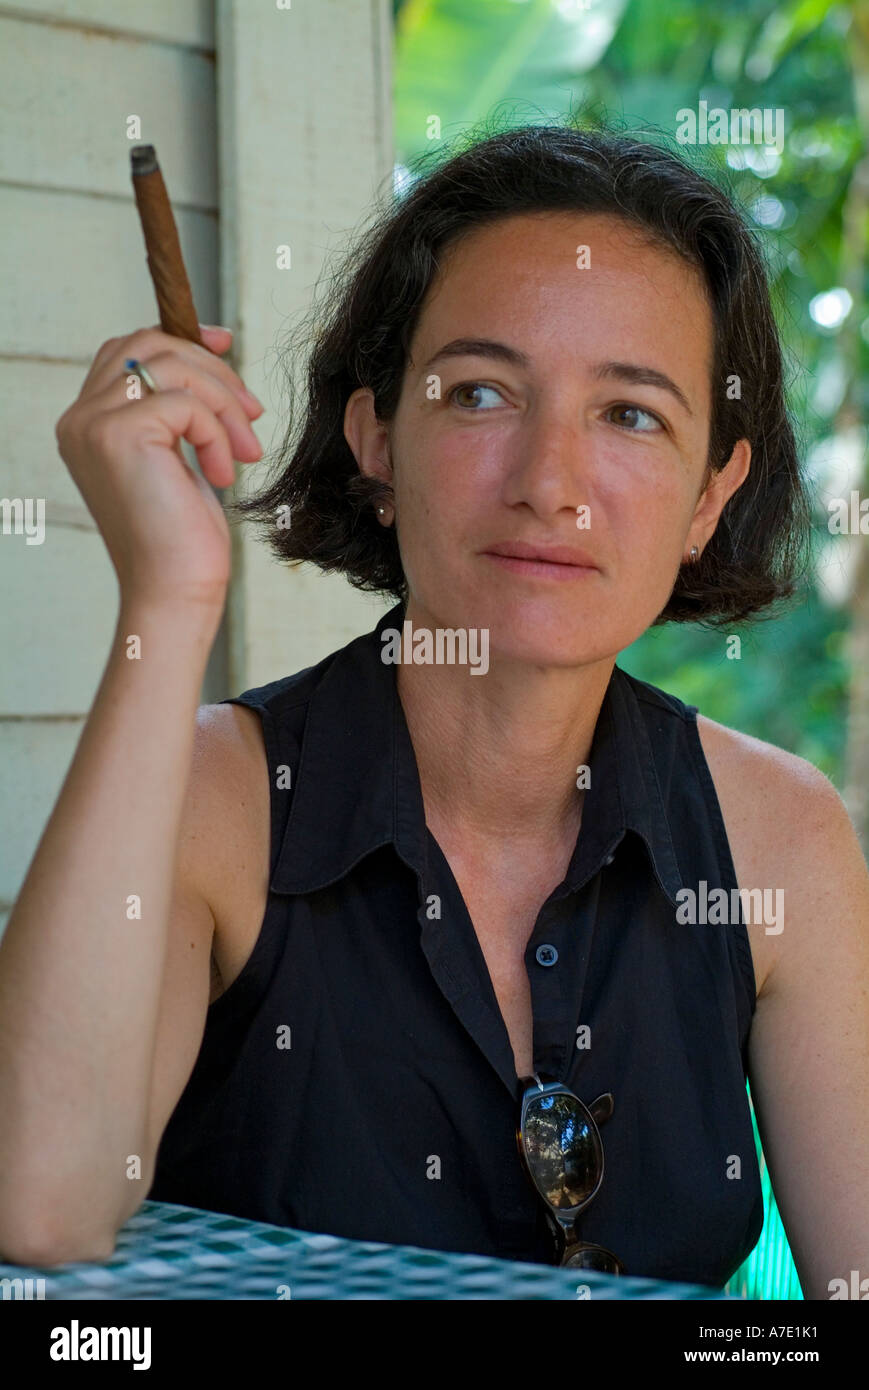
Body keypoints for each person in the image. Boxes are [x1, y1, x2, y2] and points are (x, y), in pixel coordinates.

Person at [1, 123, 867, 1297]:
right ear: (376, 441)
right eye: (478, 393)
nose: (548, 484)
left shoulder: (776, 839)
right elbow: (39, 1200)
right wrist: (169, 590)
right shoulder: (216, 799)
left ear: (709, 494)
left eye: (628, 414)